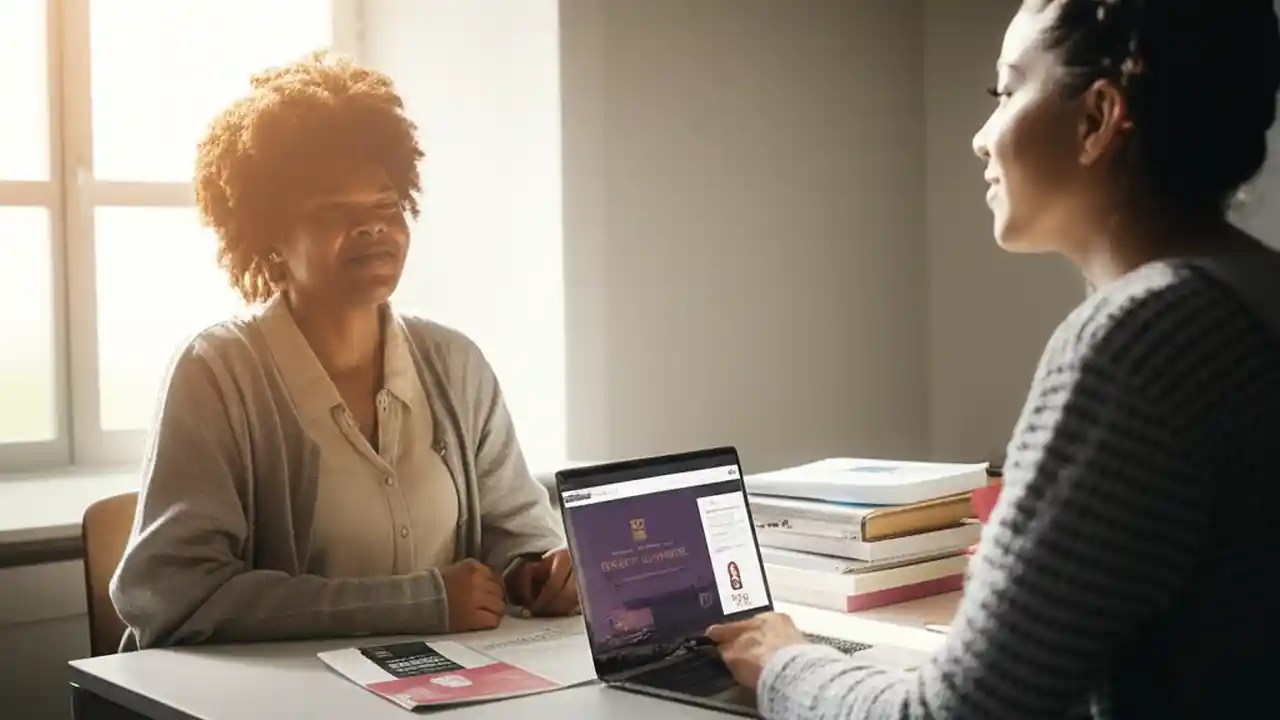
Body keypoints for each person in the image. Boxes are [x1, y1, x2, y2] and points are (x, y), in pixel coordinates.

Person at [709, 0, 1280, 717]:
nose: (982, 139)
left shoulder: (1139, 340)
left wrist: (786, 665)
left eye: (1005, 93)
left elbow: (961, 714)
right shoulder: (1255, 296)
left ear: (1097, 118)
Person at [110, 51, 578, 651]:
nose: (372, 228)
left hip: (440, 688)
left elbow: (519, 532)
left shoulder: (455, 364)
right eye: (336, 211)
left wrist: (537, 572)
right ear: (271, 237)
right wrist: (423, 603)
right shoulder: (217, 372)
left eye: (386, 206)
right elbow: (175, 595)